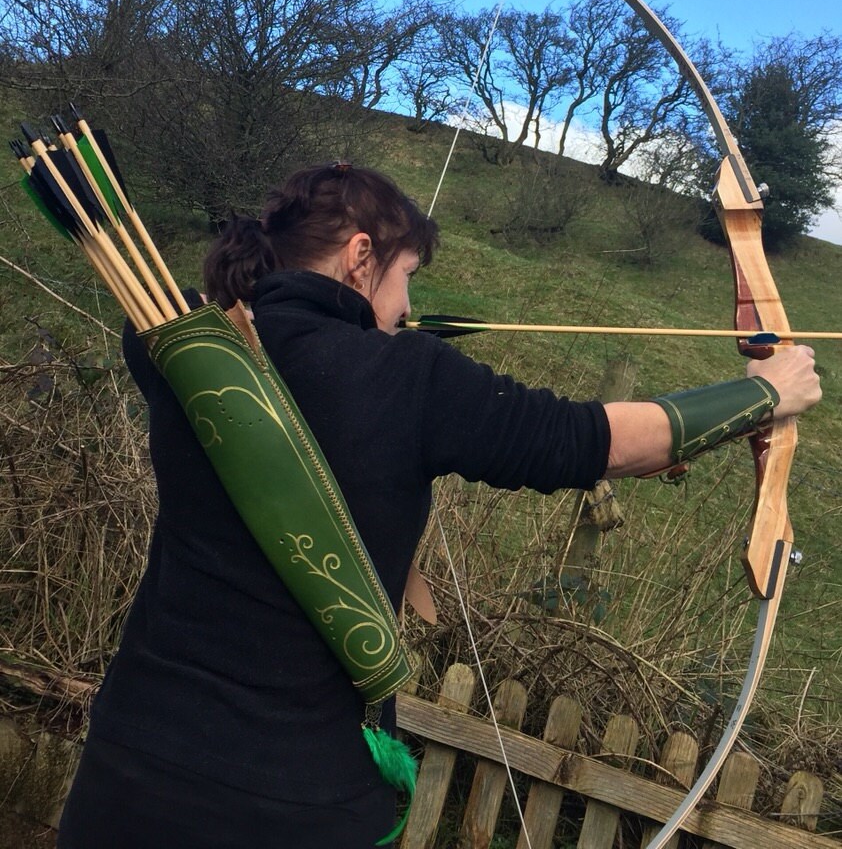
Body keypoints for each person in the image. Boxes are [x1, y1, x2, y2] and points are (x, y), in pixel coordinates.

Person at [57, 163, 821, 849]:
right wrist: (767, 393)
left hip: (126, 769)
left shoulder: (176, 347)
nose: (409, 301)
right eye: (407, 273)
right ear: (361, 256)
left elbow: (241, 331)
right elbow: (596, 441)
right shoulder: (411, 379)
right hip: (294, 805)